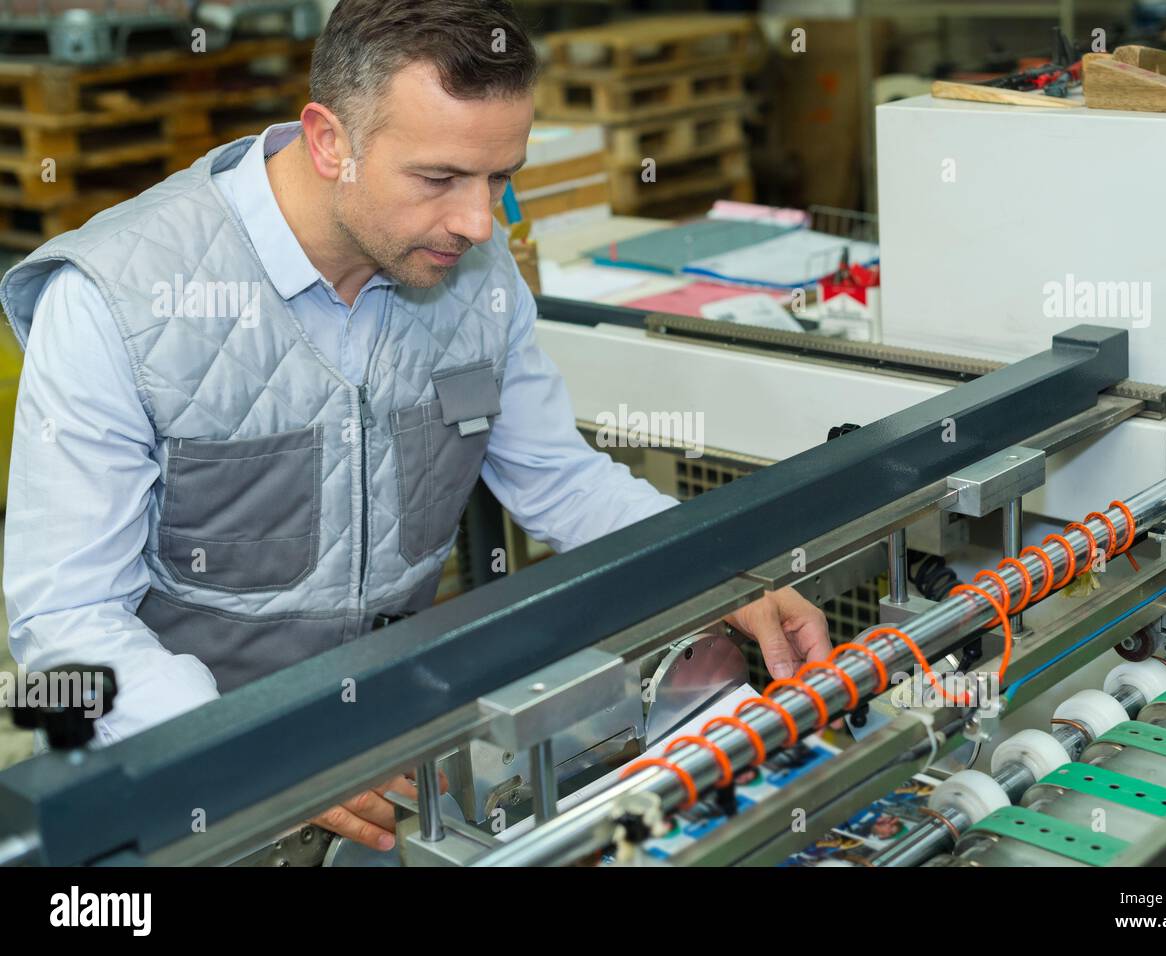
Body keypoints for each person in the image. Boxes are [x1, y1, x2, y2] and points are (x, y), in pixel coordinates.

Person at [0, 0, 831, 851]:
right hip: (176, 778)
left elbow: (558, 478)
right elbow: (68, 618)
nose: (480, 223)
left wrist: (726, 574)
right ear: (330, 141)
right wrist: (248, 757)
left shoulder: (473, 270)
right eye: (439, 179)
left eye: (501, 177)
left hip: (390, 752)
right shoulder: (120, 302)